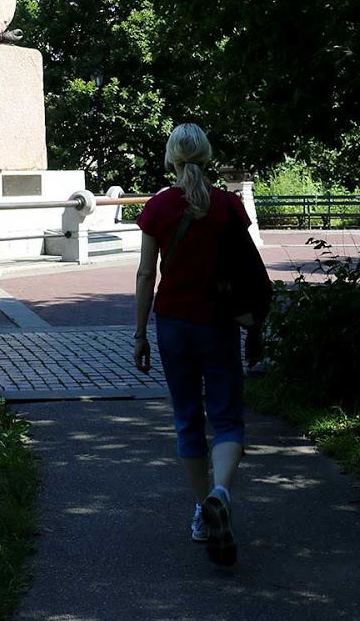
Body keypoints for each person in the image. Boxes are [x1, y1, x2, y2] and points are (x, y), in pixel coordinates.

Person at [133, 123, 248, 566]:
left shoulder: (158, 206)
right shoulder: (229, 205)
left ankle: (204, 511)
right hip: (219, 324)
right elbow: (245, 269)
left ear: (172, 159)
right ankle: (221, 493)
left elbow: (146, 275)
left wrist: (140, 333)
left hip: (173, 325)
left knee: (187, 418)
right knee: (227, 417)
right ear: (206, 156)